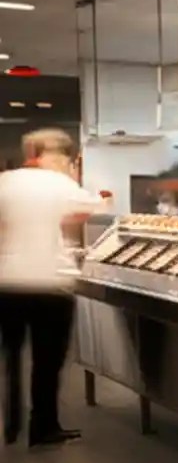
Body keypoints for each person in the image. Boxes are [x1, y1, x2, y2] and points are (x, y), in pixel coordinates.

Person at [0, 129, 105, 446]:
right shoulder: (60, 183)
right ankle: (42, 426)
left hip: (7, 283)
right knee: (47, 362)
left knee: (11, 355)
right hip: (50, 284)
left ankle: (11, 422)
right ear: (57, 156)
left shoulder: (5, 181)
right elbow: (94, 209)